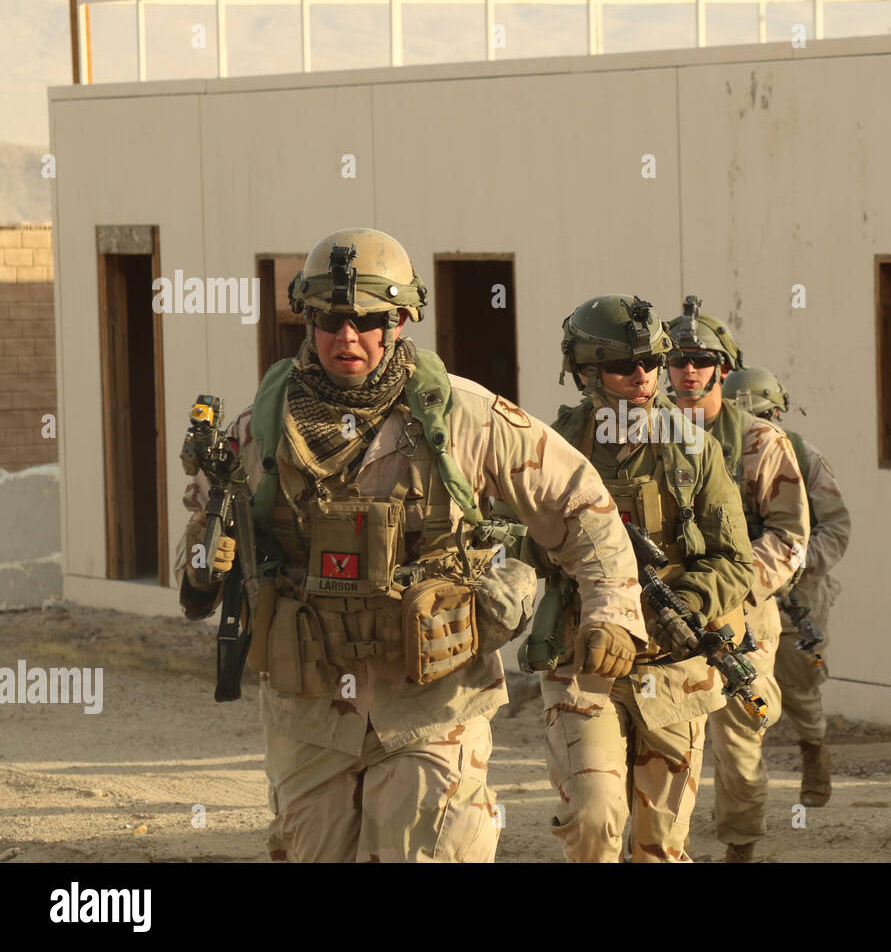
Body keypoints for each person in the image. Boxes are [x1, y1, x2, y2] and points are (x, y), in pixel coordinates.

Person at [174, 228, 644, 862]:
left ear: (400, 321)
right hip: (310, 705)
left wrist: (611, 610)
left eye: (368, 320)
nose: (349, 337)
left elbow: (580, 501)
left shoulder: (463, 417)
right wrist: (205, 566)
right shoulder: (261, 426)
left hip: (434, 703)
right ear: (309, 320)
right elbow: (203, 540)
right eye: (333, 320)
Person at [532, 293, 754, 862]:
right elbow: (513, 542)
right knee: (594, 817)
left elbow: (735, 560)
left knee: (661, 848)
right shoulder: (551, 449)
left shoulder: (693, 450)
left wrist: (679, 604)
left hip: (672, 673)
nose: (642, 376)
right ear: (586, 372)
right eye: (622, 365)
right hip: (585, 664)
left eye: (651, 362)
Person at [666, 300, 810, 862]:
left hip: (740, 610)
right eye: (677, 360)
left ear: (723, 368)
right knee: (664, 733)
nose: (689, 370)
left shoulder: (760, 442)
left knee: (739, 737)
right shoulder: (646, 434)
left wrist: (731, 586)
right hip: (669, 606)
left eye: (701, 359)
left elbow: (791, 535)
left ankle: (740, 849)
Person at [722, 366, 850, 807]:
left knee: (800, 682)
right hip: (738, 589)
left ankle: (814, 748)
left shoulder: (802, 455)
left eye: (763, 417)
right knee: (741, 684)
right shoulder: (715, 453)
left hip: (798, 591)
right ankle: (746, 779)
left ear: (777, 412)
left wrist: (795, 562)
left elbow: (835, 527)